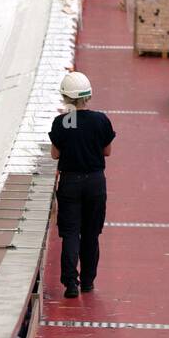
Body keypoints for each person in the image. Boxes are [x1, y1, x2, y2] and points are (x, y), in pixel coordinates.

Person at [48, 71, 115, 299]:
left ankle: (71, 284)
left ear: (66, 97)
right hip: (95, 183)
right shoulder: (101, 120)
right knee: (91, 233)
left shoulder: (63, 122)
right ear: (88, 95)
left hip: (70, 182)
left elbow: (55, 155)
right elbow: (107, 151)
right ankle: (87, 281)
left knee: (70, 233)